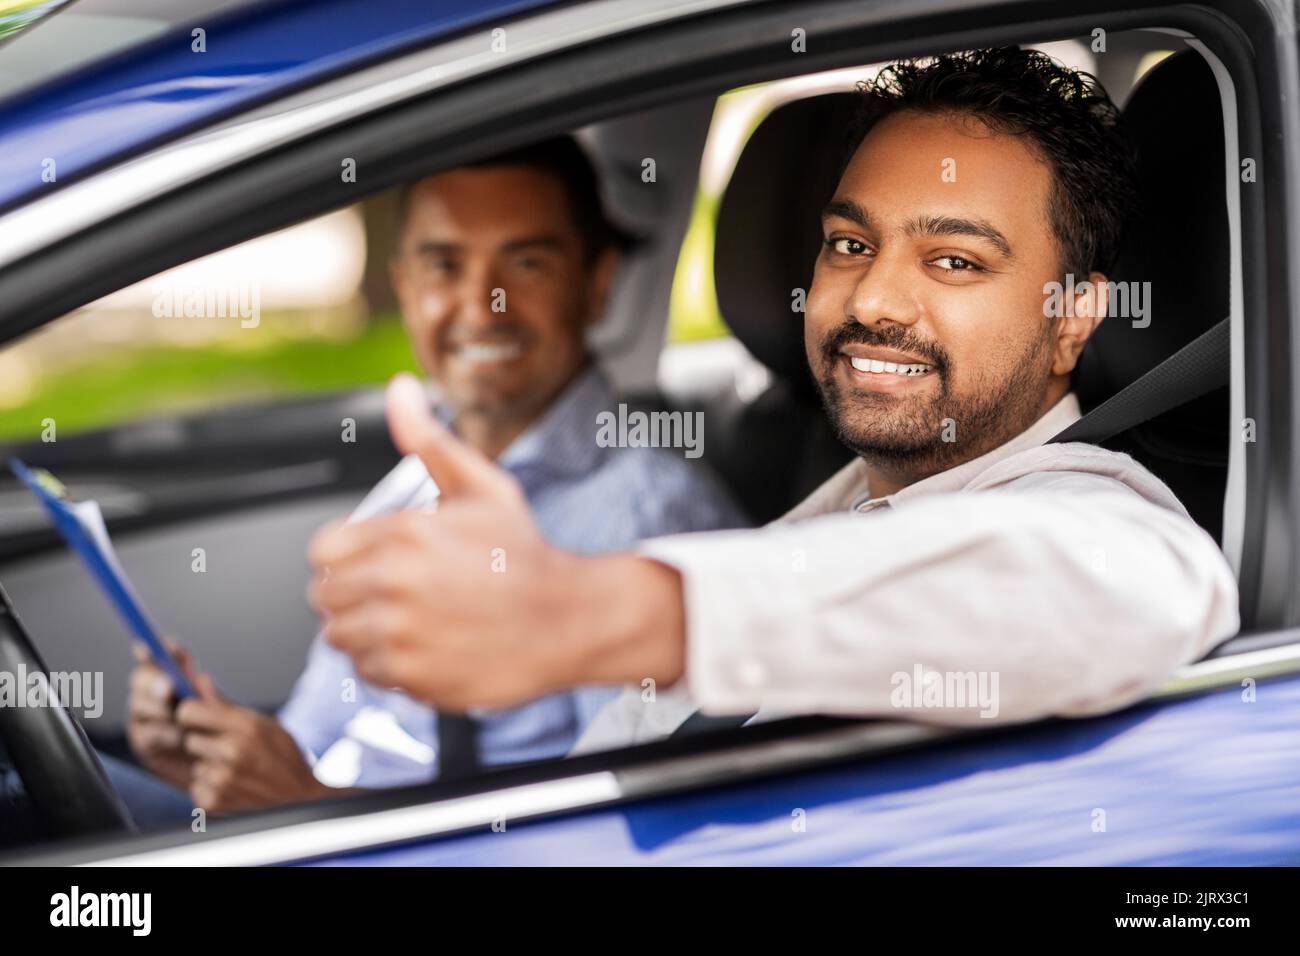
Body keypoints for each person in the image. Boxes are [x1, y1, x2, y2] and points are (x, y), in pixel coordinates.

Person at [305, 48, 1239, 748]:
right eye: (849, 245)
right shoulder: (824, 518)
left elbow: (1109, 587)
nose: (872, 299)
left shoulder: (1101, 523)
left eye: (955, 261)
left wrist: (593, 612)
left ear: (1074, 316)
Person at [123, 136, 746, 816]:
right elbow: (315, 734)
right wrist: (214, 761)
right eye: (445, 266)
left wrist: (309, 803)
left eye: (527, 263)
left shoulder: (650, 519)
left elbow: (619, 835)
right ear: (406, 287)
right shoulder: (414, 482)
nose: (483, 307)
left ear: (596, 286)